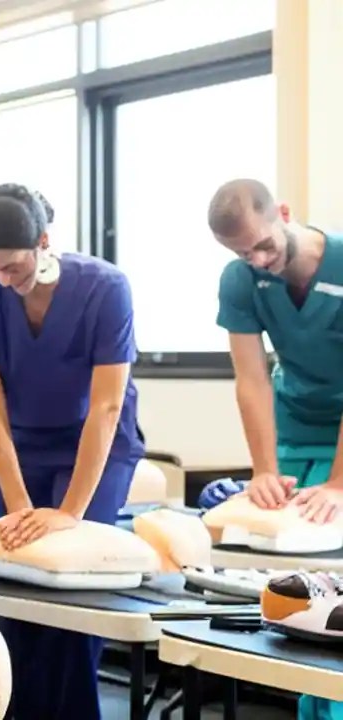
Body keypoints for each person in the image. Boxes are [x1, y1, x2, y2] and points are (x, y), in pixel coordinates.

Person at [0, 184, 143, 720]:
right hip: (22, 443)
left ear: (43, 242)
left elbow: (106, 407)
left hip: (98, 444)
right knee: (13, 574)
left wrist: (69, 513)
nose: (3, 280)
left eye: (13, 266)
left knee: (73, 586)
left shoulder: (105, 288)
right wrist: (18, 506)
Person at [209, 178, 343, 720]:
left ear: (284, 213)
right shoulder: (240, 279)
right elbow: (251, 379)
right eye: (244, 253)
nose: (259, 261)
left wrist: (339, 483)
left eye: (264, 245)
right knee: (299, 581)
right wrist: (264, 470)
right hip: (295, 422)